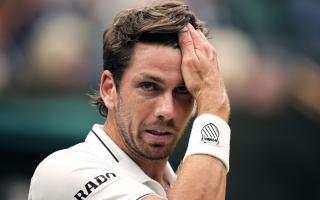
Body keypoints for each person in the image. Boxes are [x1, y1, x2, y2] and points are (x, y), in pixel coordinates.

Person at [28, 1, 231, 199]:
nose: (166, 110)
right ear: (109, 89)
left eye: (182, 90)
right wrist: (214, 107)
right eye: (148, 86)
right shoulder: (63, 172)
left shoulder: (192, 187)